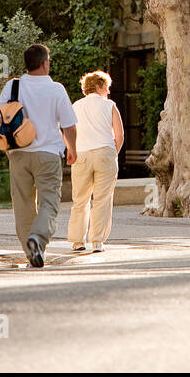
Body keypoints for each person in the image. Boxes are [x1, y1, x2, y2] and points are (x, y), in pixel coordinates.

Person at [0, 43, 77, 268]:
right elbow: (69, 126)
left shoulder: (11, 86)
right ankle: (38, 239)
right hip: (48, 154)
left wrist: (8, 149)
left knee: (22, 204)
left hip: (18, 154)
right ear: (45, 63)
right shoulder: (56, 89)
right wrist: (72, 149)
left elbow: (2, 121)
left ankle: (30, 252)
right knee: (49, 202)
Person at [65, 70, 125, 253]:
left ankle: (77, 241)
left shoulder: (76, 106)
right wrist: (114, 152)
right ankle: (97, 241)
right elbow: (119, 134)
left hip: (82, 154)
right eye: (106, 87)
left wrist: (71, 150)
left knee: (80, 199)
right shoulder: (110, 105)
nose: (108, 91)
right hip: (105, 152)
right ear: (99, 87)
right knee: (102, 199)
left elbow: (68, 131)